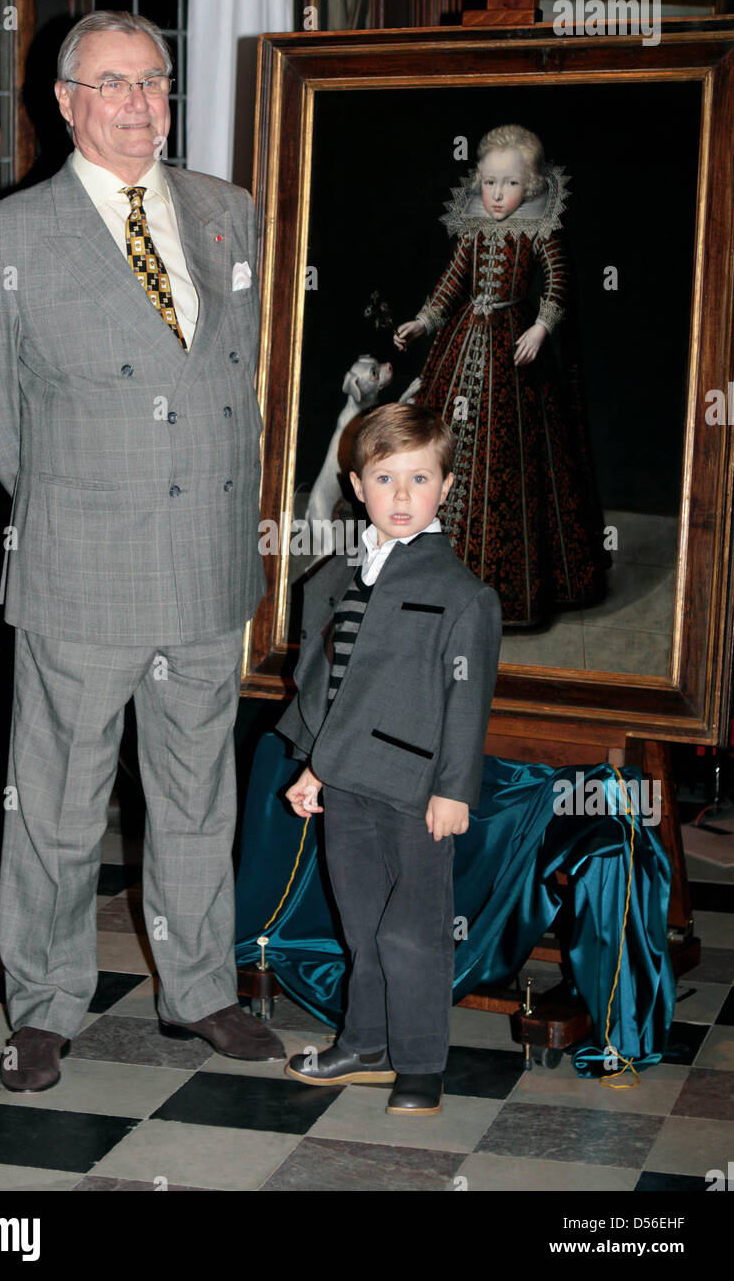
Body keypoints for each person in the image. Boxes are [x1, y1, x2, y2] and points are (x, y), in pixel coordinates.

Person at [0, 10, 282, 1092]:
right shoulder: (7, 238)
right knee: (57, 803)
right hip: (81, 568)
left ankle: (201, 990)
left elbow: (252, 377)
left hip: (205, 566)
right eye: (116, 85)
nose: (141, 105)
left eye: (156, 81)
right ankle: (42, 1005)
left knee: (194, 796)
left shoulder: (229, 214)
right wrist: (74, 495)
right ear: (67, 101)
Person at [278, 403, 501, 1115]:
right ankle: (365, 1043)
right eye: (384, 478)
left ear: (445, 487)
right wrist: (314, 766)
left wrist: (454, 789)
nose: (401, 497)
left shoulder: (460, 593)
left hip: (416, 790)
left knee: (413, 931)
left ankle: (419, 1064)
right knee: (361, 922)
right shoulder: (341, 578)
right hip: (347, 786)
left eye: (418, 478)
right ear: (355, 484)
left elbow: (466, 705)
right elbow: (335, 689)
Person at [393, 123, 607, 628]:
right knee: (445, 450)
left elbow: (557, 286)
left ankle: (509, 587)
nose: (496, 194)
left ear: (529, 186)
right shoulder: (473, 229)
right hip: (463, 343)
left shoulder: (541, 230)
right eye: (489, 183)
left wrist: (540, 327)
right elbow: (451, 284)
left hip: (513, 351)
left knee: (511, 462)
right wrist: (423, 321)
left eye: (508, 184)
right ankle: (435, 577)